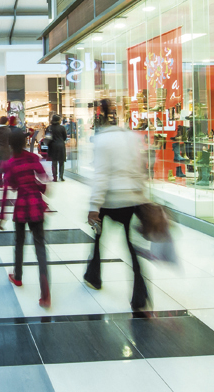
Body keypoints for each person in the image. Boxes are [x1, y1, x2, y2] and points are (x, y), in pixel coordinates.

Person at [84, 99, 150, 311]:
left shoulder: (102, 141)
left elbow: (101, 175)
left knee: (98, 237)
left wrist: (94, 206)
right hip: (131, 198)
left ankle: (94, 276)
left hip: (111, 199)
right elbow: (140, 167)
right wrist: (141, 194)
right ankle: (140, 295)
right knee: (132, 248)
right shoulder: (131, 138)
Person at [0, 129, 50, 308]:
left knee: (19, 242)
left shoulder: (10, 163)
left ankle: (18, 276)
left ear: (11, 144)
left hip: (21, 206)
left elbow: (10, 186)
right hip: (35, 204)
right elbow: (43, 176)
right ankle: (45, 293)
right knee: (40, 247)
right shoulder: (32, 158)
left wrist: (2, 216)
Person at [47, 114, 67, 182]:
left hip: (53, 146)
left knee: (54, 162)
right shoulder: (62, 128)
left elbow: (47, 139)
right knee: (61, 162)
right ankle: (61, 177)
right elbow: (65, 137)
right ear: (58, 120)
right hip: (61, 146)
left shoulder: (49, 127)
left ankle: (54, 177)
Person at [0, 116, 12, 186]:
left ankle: (0, 180)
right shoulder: (8, 130)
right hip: (6, 149)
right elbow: (10, 140)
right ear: (6, 121)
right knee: (6, 164)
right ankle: (5, 179)